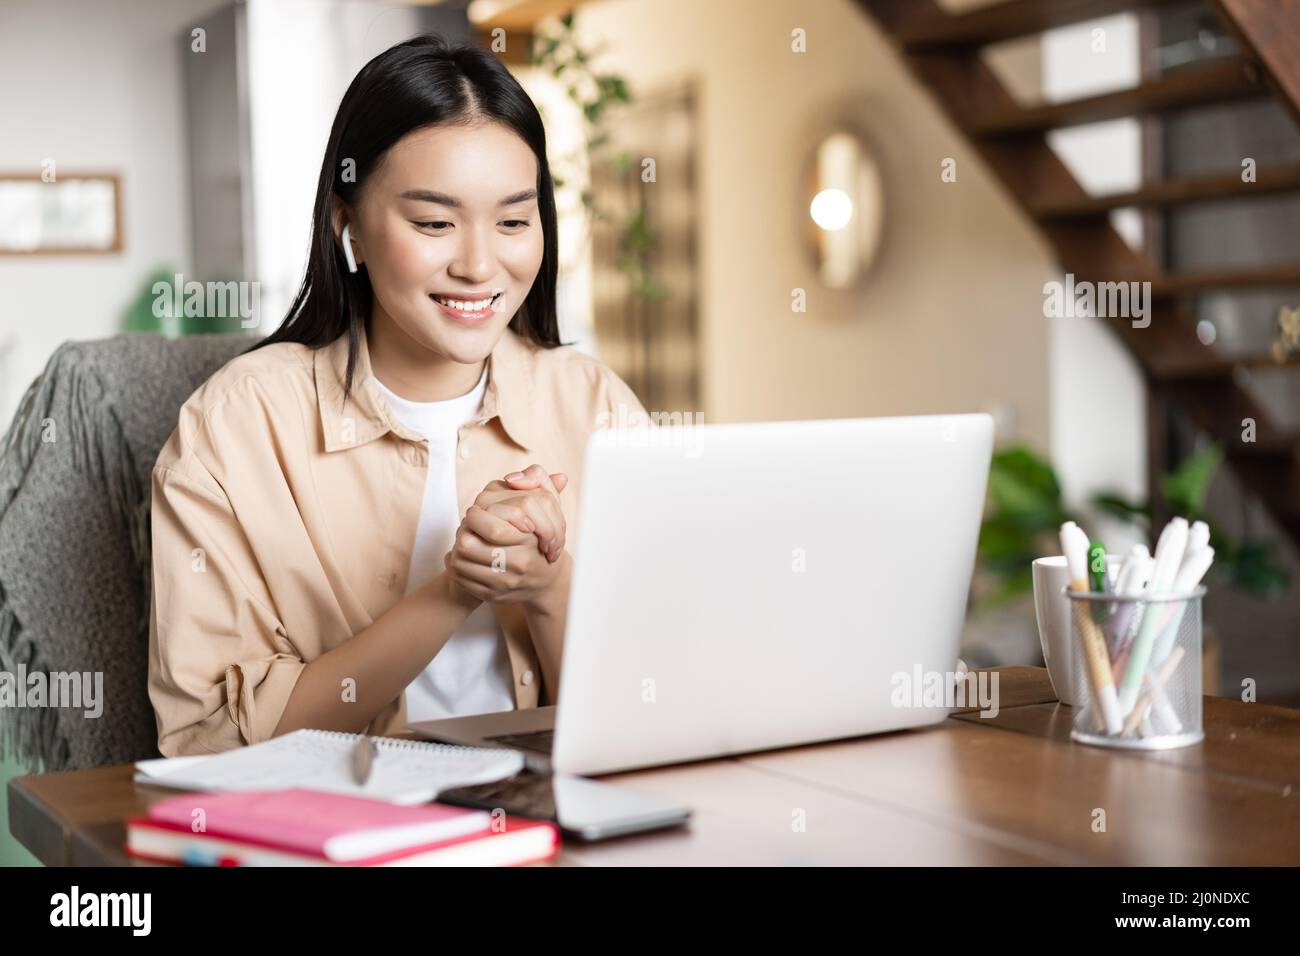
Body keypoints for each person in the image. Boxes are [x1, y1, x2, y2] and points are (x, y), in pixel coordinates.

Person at [147, 35, 646, 756]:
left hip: (551, 811)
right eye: (434, 223)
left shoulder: (596, 406)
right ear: (345, 222)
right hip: (336, 818)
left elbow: (645, 715)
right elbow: (212, 743)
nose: (479, 265)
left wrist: (548, 588)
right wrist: (454, 591)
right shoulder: (234, 428)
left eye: (513, 220)